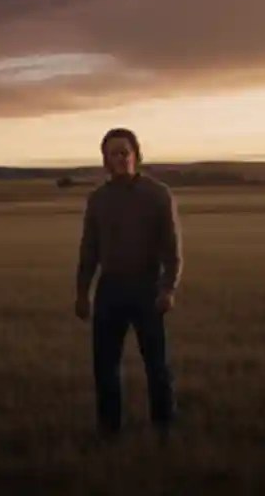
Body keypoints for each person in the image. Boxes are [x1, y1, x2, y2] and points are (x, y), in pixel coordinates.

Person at [75, 127, 183, 441]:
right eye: (113, 153)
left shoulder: (157, 194)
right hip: (109, 290)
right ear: (105, 160)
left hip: (147, 289)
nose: (120, 158)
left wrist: (168, 288)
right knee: (104, 366)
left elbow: (172, 249)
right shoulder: (98, 199)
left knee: (156, 365)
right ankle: (109, 430)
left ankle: (164, 428)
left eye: (125, 151)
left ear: (136, 155)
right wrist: (82, 293)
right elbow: (89, 249)